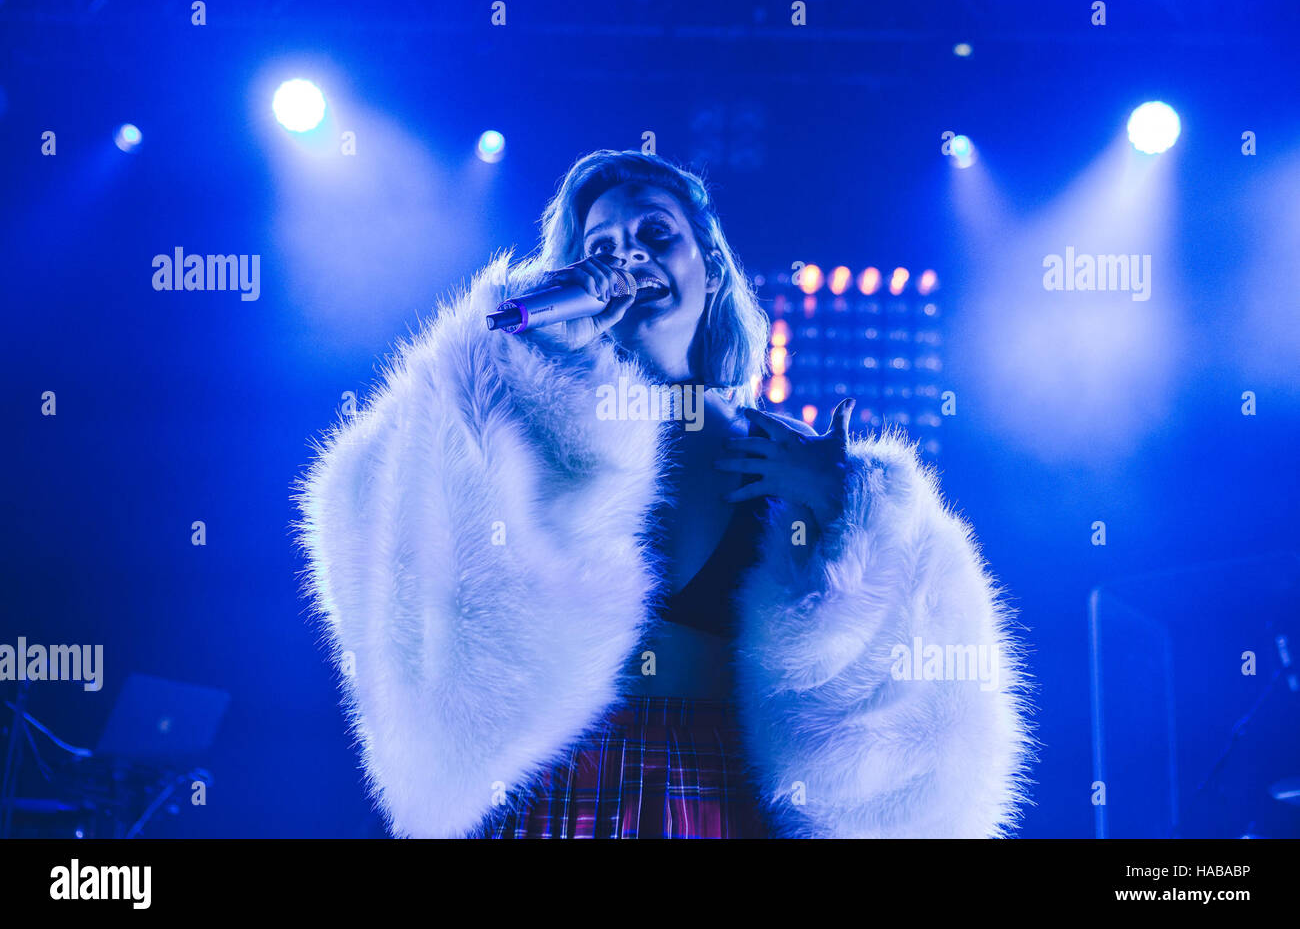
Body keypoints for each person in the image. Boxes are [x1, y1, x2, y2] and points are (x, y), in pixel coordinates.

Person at [295, 149, 1033, 838]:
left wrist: (848, 516)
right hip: (551, 792)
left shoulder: (788, 454)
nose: (630, 257)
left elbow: (917, 692)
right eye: (603, 249)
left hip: (718, 794)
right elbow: (377, 508)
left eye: (655, 232)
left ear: (709, 266)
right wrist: (496, 350)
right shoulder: (517, 436)